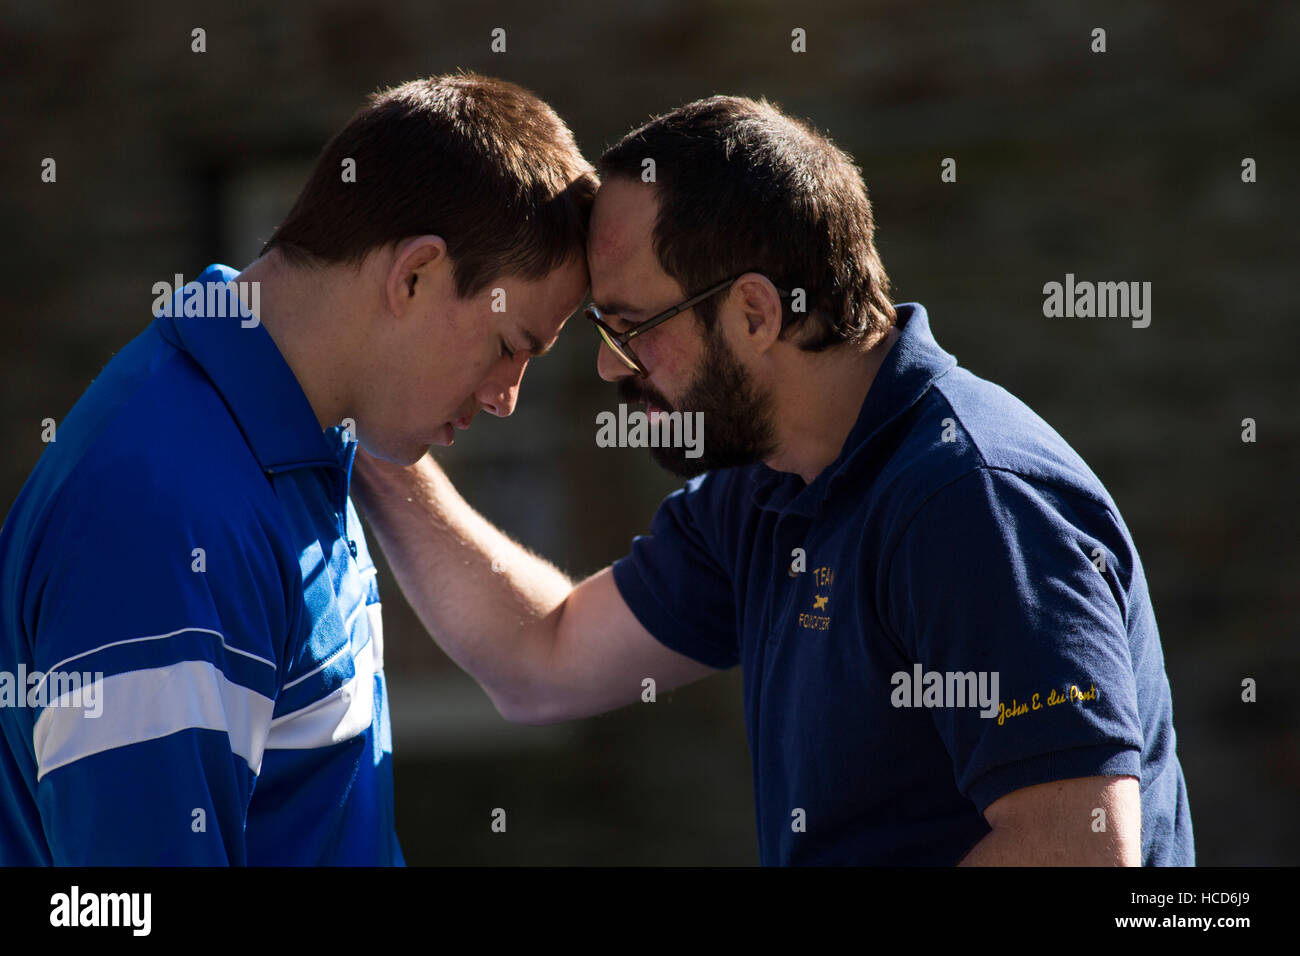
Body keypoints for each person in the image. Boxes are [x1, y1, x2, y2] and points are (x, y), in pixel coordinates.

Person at [353, 95, 1195, 865]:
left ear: (755, 311)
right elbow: (542, 658)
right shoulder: (763, 490)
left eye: (633, 326)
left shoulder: (971, 499)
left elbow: (1077, 850)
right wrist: (373, 433)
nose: (612, 369)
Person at [0, 72, 594, 864]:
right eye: (510, 345)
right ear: (412, 276)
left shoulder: (304, 434)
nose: (507, 398)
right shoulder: (163, 518)